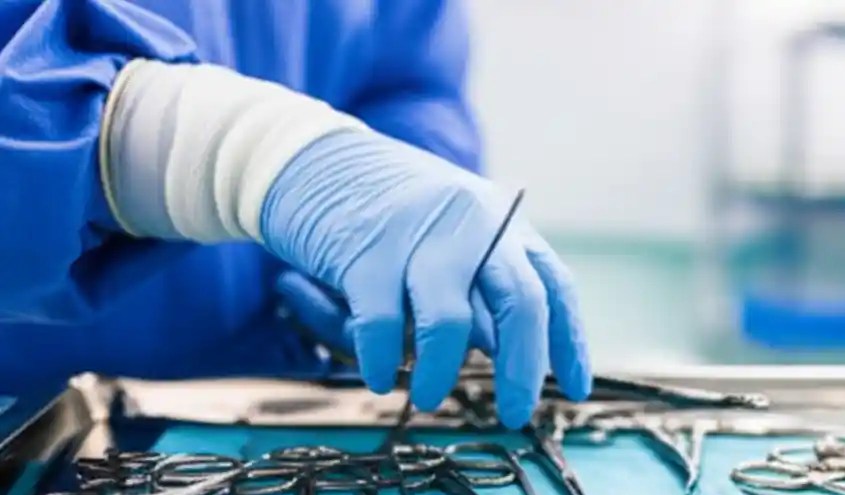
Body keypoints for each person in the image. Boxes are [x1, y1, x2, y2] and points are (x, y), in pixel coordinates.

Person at [0, 0, 591, 428]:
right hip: (28, 423)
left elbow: (405, 74)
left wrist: (393, 215)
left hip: (270, 403)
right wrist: (230, 150)